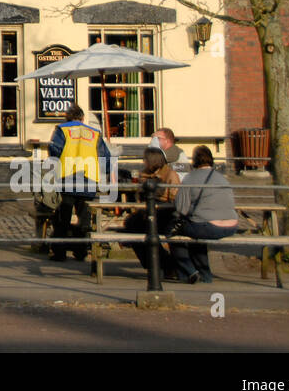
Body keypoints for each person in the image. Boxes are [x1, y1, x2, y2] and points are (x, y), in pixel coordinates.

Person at [48, 103, 112, 262]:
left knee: (63, 217)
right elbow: (105, 156)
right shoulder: (94, 133)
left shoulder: (62, 130)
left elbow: (54, 150)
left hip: (67, 178)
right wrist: (106, 172)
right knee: (84, 219)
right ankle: (81, 251)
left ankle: (60, 253)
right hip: (89, 179)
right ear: (83, 118)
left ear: (67, 117)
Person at [169, 145, 238, 284]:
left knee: (173, 234)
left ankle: (189, 272)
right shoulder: (222, 178)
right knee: (196, 234)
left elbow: (181, 208)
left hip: (208, 226)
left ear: (194, 161)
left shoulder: (190, 178)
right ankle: (206, 276)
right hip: (232, 225)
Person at [123, 146, 180, 276]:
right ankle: (158, 264)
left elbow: (175, 198)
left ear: (152, 160)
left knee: (136, 227)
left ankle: (164, 264)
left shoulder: (170, 174)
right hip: (147, 212)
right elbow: (139, 197)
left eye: (145, 159)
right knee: (131, 225)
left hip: (164, 213)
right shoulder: (144, 174)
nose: (143, 162)